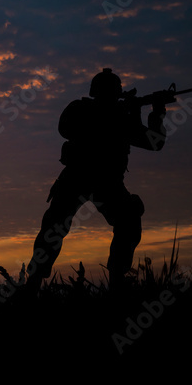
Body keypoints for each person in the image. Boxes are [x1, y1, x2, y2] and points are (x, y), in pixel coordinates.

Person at [24, 68, 171, 292]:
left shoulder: (120, 115)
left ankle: (117, 283)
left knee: (128, 220)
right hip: (79, 176)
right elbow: (65, 128)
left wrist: (152, 112)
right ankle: (32, 284)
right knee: (53, 228)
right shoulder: (82, 109)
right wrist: (134, 114)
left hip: (104, 180)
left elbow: (153, 142)